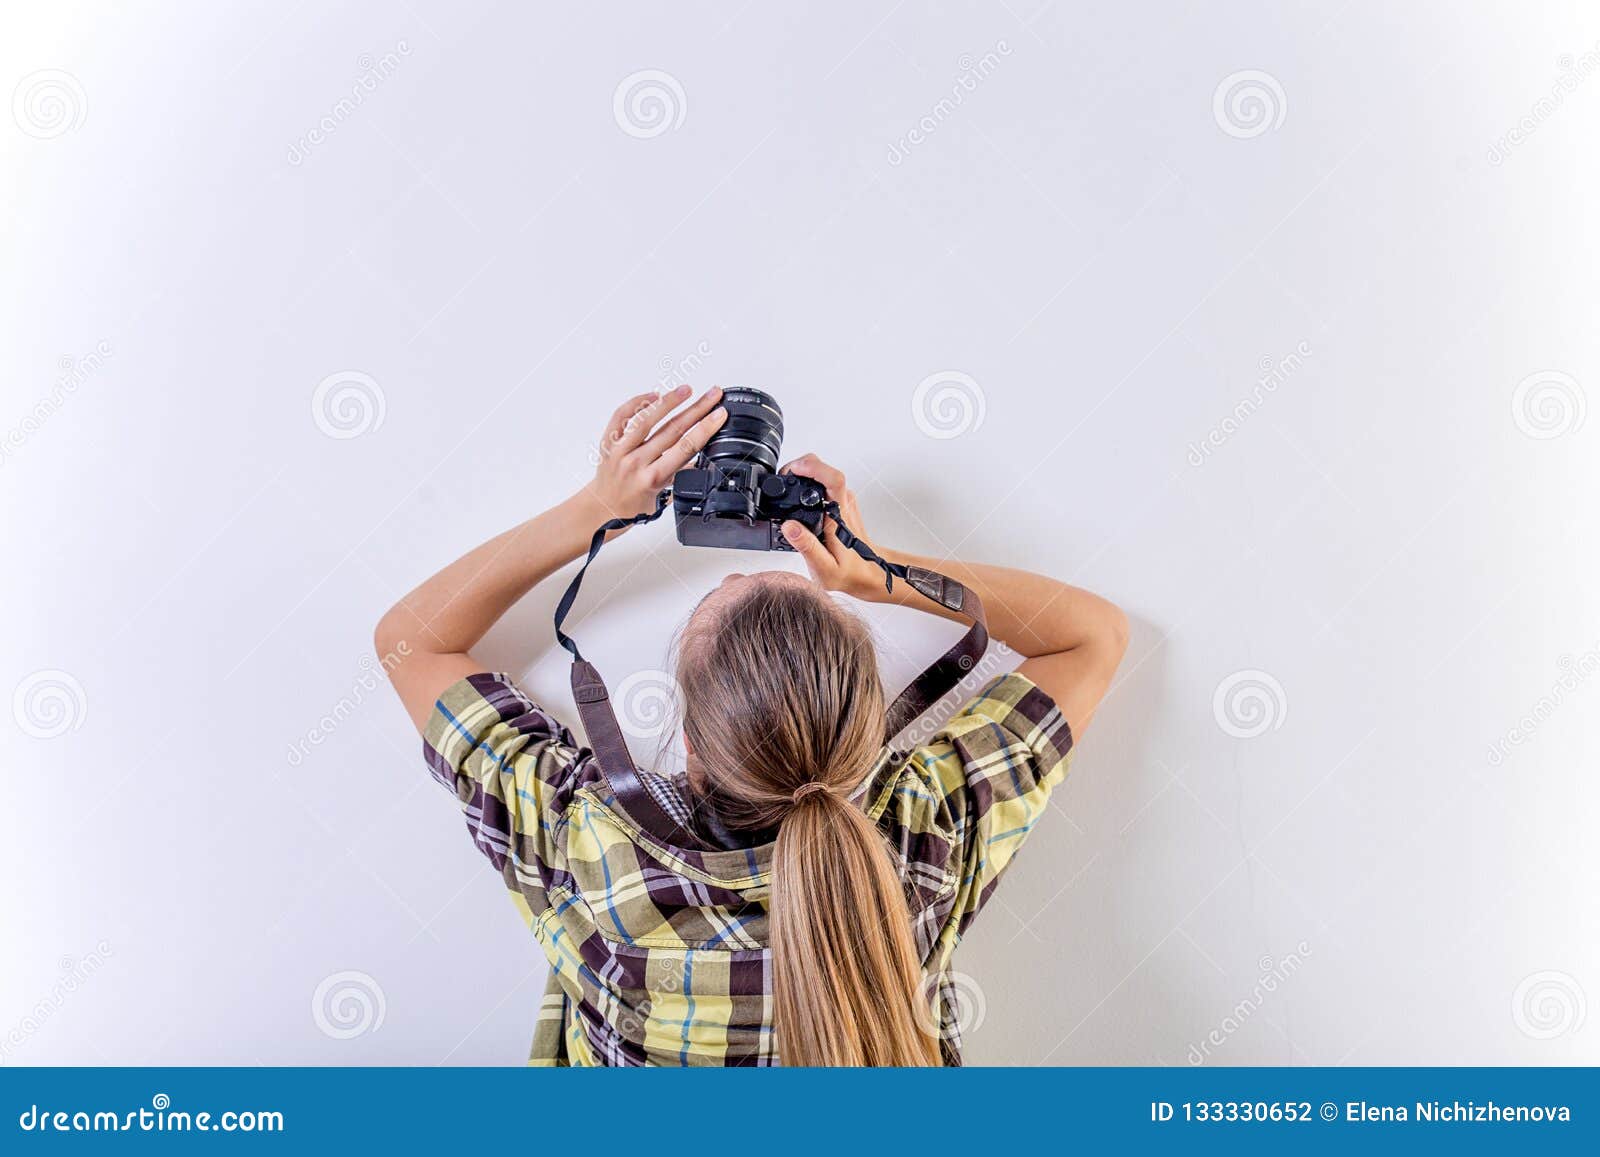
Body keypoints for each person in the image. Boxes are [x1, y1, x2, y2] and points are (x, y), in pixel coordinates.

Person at [375, 385, 1128, 1065]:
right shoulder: (923, 831)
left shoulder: (590, 847)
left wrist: (594, 509)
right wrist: (878, 568)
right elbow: (1091, 636)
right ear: (869, 724)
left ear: (692, 743)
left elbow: (412, 642)